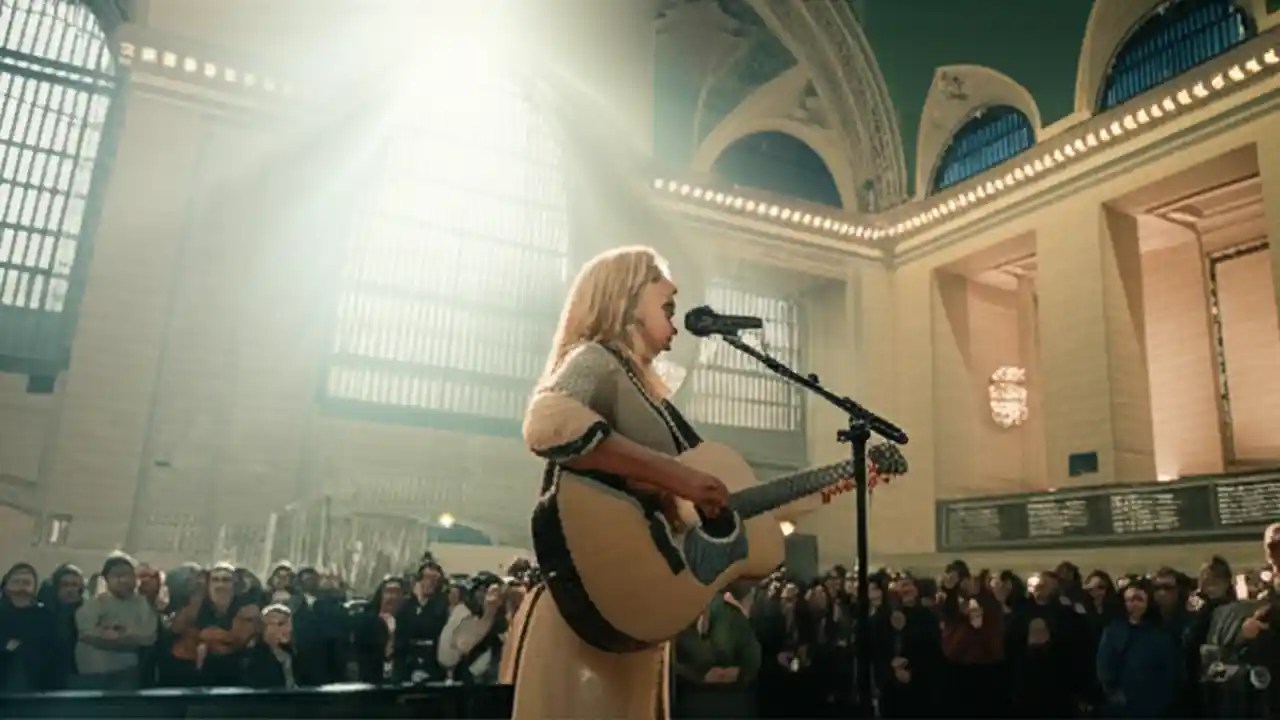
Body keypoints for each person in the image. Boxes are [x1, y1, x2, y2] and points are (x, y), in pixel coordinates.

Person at [499, 246, 729, 720]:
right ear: (626, 297)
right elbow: (548, 419)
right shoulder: (596, 359)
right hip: (585, 610)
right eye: (666, 302)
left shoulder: (655, 399)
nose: (677, 318)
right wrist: (676, 476)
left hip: (634, 613)